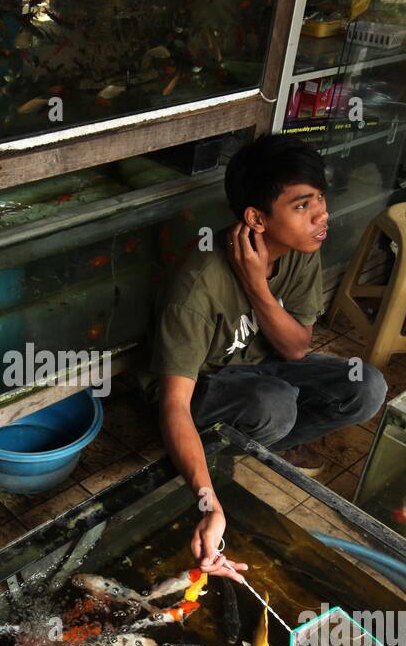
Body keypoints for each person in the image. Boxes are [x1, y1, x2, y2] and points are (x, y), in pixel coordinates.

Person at [150, 134, 387, 576]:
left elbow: (296, 348)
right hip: (208, 387)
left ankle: (256, 445)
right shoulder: (199, 282)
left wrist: (258, 286)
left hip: (268, 370)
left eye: (320, 197)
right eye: (302, 205)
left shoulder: (300, 249)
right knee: (274, 404)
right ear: (257, 217)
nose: (322, 215)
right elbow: (173, 404)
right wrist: (207, 502)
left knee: (367, 387)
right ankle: (217, 458)